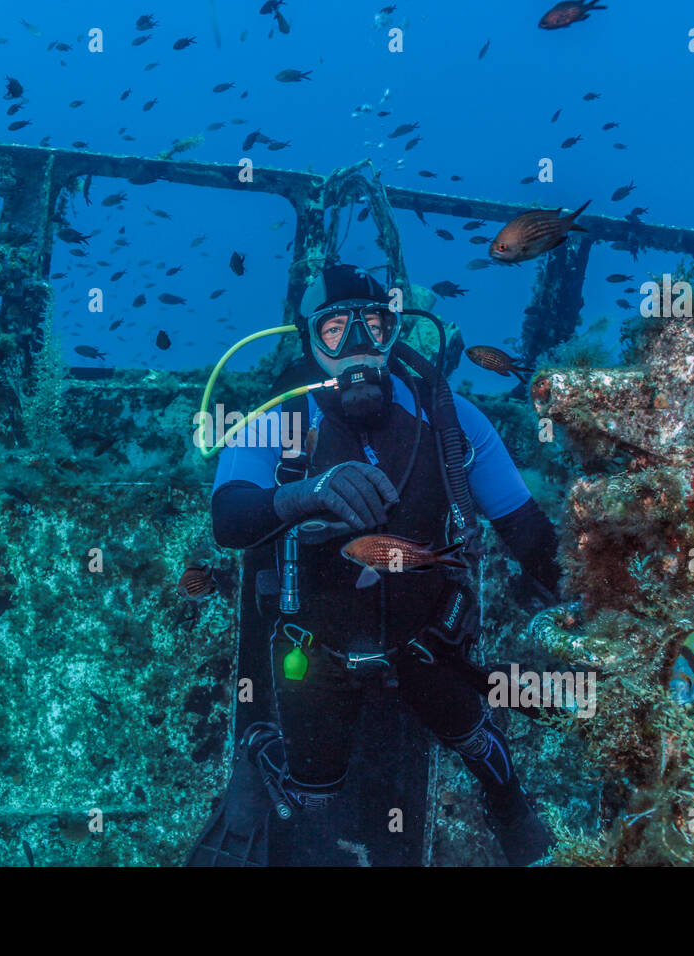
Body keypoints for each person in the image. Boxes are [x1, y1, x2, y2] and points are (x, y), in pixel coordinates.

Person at [189, 263, 561, 867]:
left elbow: (527, 533)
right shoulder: (279, 424)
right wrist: (303, 493)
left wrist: (591, 597)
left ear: (397, 332)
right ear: (309, 341)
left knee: (474, 735)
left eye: (375, 326)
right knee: (316, 791)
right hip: (316, 642)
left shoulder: (453, 423)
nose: (358, 345)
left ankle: (509, 805)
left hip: (427, 635)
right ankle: (262, 746)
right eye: (336, 329)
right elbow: (230, 520)